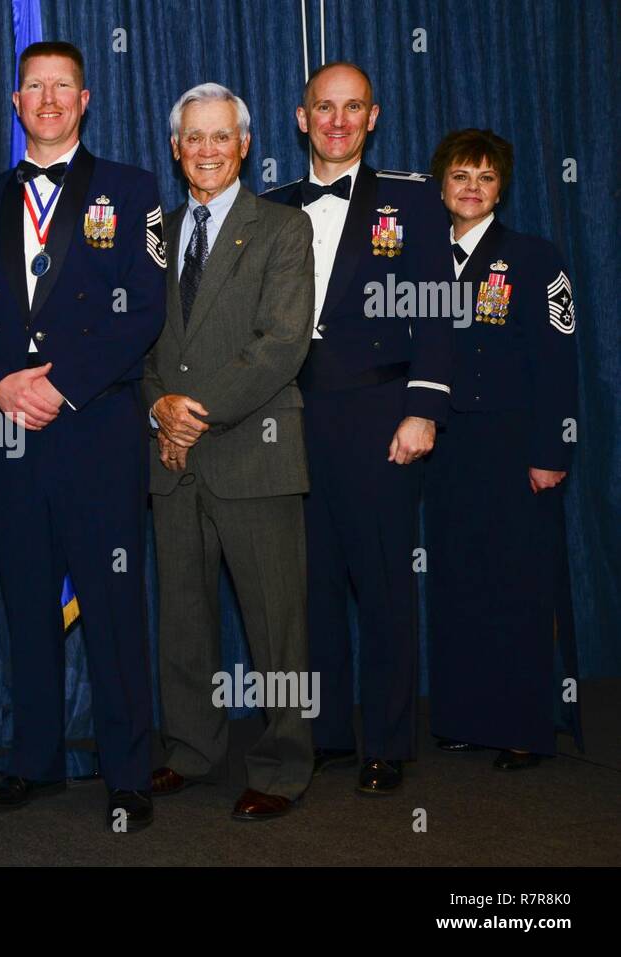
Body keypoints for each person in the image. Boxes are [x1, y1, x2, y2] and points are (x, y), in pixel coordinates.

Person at [0, 41, 166, 831]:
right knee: (25, 601)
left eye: (62, 86)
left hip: (98, 432)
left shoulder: (132, 189)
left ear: (84, 100)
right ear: (17, 102)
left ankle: (127, 771)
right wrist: (2, 384)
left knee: (113, 606)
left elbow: (145, 307)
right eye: (33, 86)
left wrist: (62, 385)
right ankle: (33, 759)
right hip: (12, 433)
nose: (47, 99)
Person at [264, 62, 452, 794]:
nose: (337, 120)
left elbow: (438, 307)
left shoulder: (410, 199)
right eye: (323, 108)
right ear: (302, 117)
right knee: (306, 589)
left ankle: (386, 740)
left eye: (352, 108)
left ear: (372, 117)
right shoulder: (271, 205)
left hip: (381, 416)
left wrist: (425, 407)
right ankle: (329, 732)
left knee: (382, 586)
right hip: (289, 418)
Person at [145, 83, 315, 820]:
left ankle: (282, 765)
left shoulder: (282, 227)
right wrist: (158, 406)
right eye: (193, 137)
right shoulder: (154, 235)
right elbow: (137, 344)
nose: (207, 150)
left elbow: (279, 345)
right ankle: (190, 747)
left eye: (221, 137)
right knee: (183, 619)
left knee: (276, 627)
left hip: (255, 452)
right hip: (172, 461)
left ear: (245, 144)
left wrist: (193, 416)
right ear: (176, 148)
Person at [424, 128, 581, 769]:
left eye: (485, 178)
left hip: (517, 447)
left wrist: (552, 450)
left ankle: (524, 726)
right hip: (447, 447)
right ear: (441, 185)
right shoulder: (420, 259)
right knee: (458, 582)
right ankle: (466, 717)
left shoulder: (536, 259)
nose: (472, 188)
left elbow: (558, 363)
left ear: (501, 189)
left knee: (517, 585)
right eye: (461, 176)